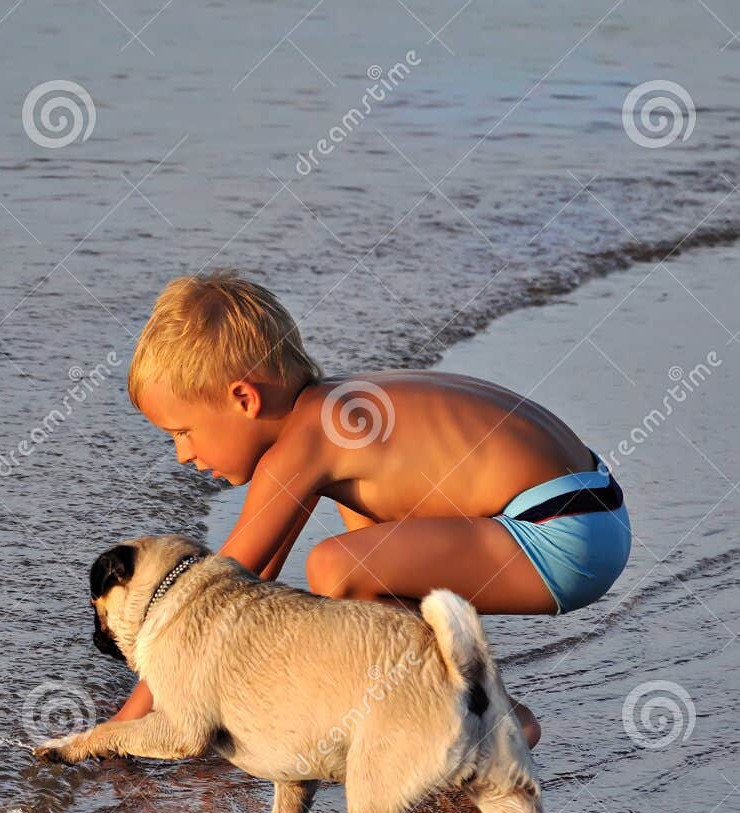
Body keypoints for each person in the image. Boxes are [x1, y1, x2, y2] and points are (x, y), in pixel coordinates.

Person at [111, 270, 632, 747]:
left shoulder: (307, 440)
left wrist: (128, 724)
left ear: (244, 399)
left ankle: (489, 721)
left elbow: (211, 598)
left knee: (335, 567)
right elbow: (253, 582)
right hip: (589, 509)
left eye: (183, 432)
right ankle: (484, 717)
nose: (183, 454)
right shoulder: (335, 414)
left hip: (558, 533)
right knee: (362, 564)